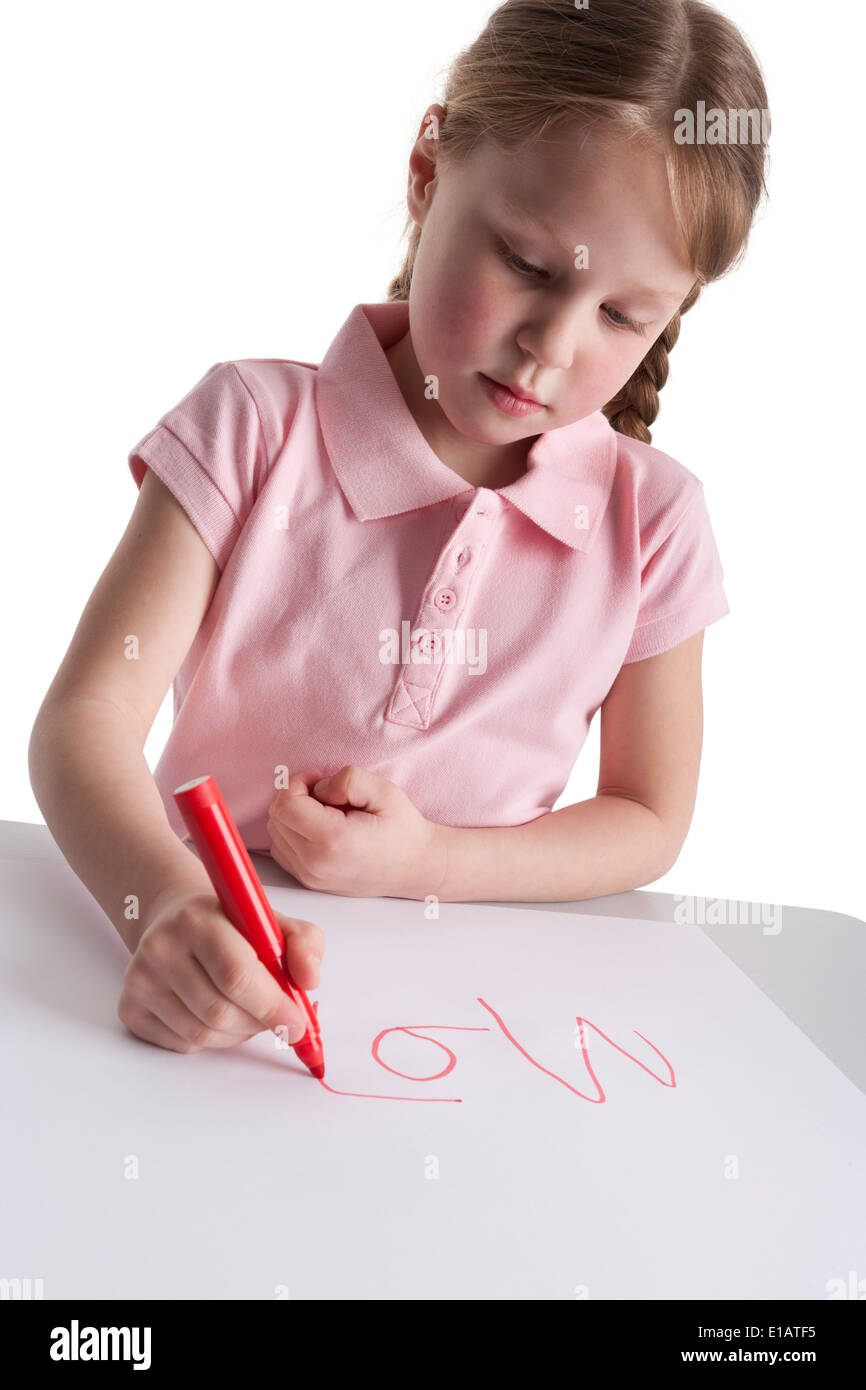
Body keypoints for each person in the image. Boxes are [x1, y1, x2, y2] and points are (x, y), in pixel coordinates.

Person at [28, 0, 771, 1056]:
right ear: (427, 171)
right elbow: (84, 723)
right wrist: (163, 909)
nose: (549, 347)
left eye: (619, 315)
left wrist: (428, 861)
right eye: (525, 262)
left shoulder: (653, 522)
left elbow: (648, 818)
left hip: (489, 1038)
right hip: (212, 994)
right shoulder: (250, 428)